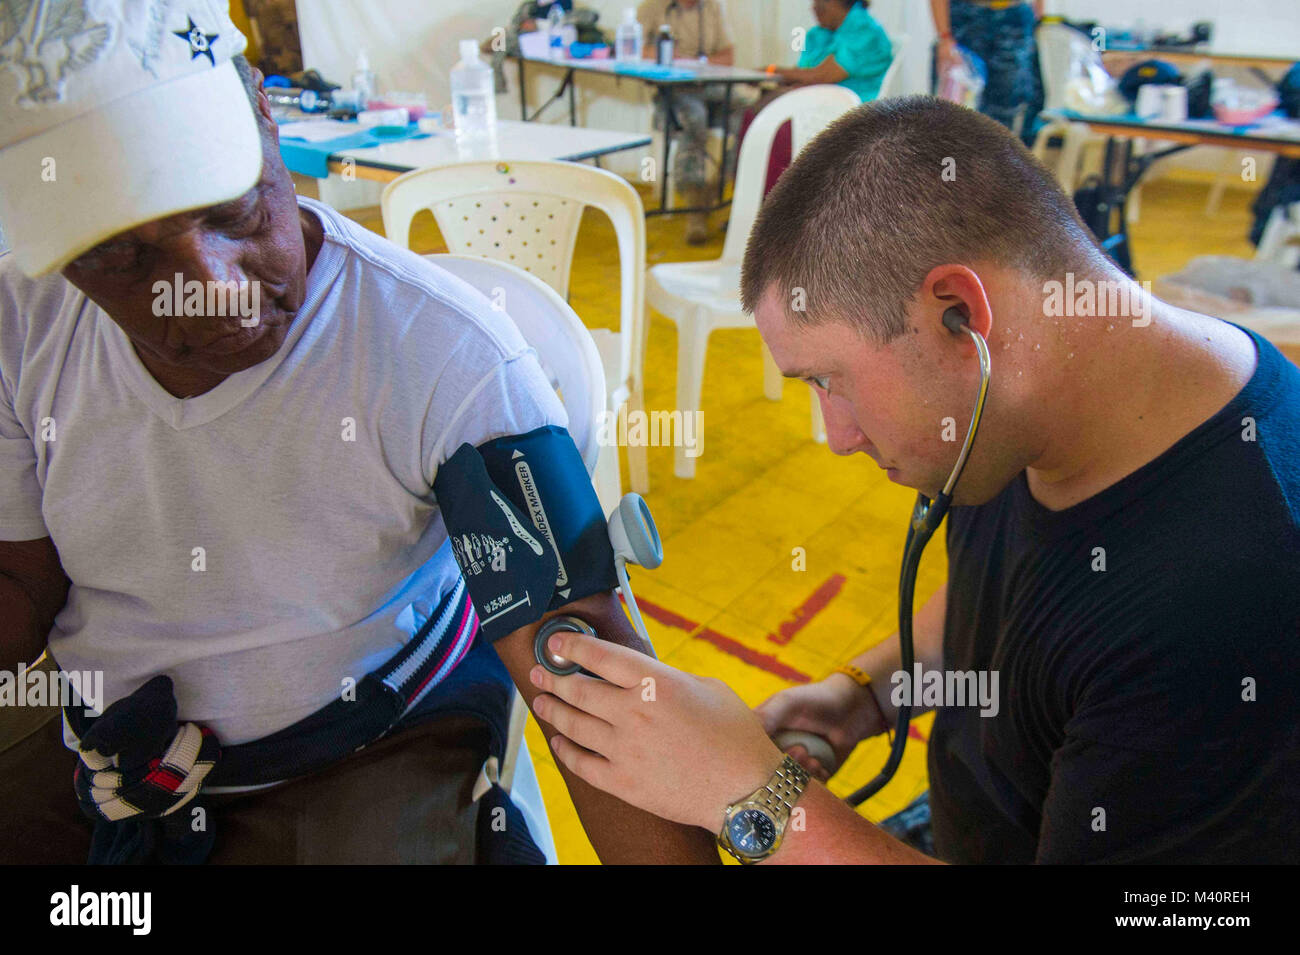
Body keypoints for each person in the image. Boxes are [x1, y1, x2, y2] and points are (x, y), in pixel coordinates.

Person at [0, 0, 717, 866]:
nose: (209, 287)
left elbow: (583, 669)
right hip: (116, 754)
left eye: (228, 208)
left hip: (369, 745)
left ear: (263, 106)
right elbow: (20, 578)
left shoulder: (446, 356)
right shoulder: (22, 326)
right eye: (123, 257)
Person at [526, 97, 1300, 864]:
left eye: (829, 379)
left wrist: (755, 796)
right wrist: (865, 693)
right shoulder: (1041, 407)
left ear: (960, 312)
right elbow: (1004, 599)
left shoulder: (1226, 606)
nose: (837, 436)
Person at [740, 0, 893, 196]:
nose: (813, 9)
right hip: (820, 102)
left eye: (820, 4)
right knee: (756, 109)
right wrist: (774, 78)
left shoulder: (864, 30)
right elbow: (804, 73)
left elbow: (821, 76)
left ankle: (773, 202)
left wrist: (772, 71)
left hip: (848, 112)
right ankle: (751, 199)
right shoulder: (823, 33)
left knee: (777, 125)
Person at [636, 0, 737, 243]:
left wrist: (699, 63)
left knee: (746, 110)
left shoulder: (713, 7)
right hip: (672, 90)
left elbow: (727, 55)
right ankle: (696, 210)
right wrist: (672, 57)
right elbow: (634, 50)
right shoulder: (652, 8)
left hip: (709, 85)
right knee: (695, 118)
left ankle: (721, 194)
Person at [932, 0, 1044, 144]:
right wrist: (944, 37)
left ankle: (995, 163)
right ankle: (955, 163)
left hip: (1014, 19)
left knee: (1007, 109)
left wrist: (1039, 18)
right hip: (965, 19)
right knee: (954, 113)